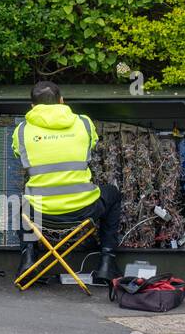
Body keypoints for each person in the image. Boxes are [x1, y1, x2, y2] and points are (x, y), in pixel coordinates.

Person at [12, 81, 123, 285]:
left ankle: (27, 260)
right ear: (62, 101)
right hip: (84, 210)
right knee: (112, 194)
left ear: (32, 107)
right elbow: (92, 145)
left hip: (41, 212)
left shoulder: (21, 131)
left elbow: (19, 155)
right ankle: (107, 262)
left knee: (21, 203)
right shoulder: (84, 123)